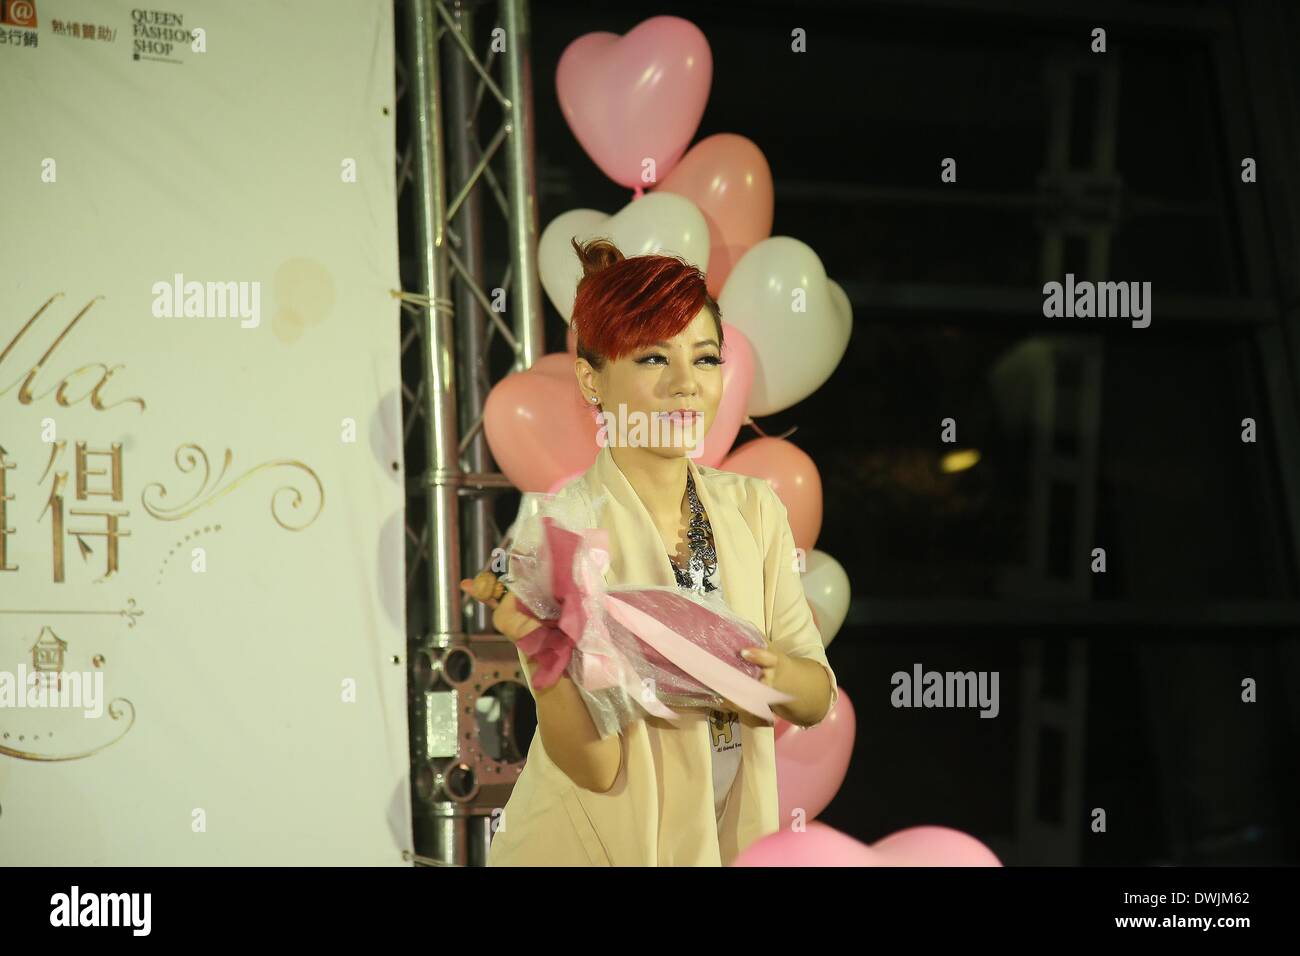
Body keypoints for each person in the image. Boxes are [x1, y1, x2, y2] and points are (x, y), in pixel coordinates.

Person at [462, 237, 838, 866]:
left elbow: (817, 694)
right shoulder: (565, 531)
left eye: (707, 358)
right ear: (592, 377)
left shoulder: (754, 509)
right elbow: (595, 766)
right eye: (654, 359)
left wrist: (766, 675)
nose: (687, 384)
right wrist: (546, 657)